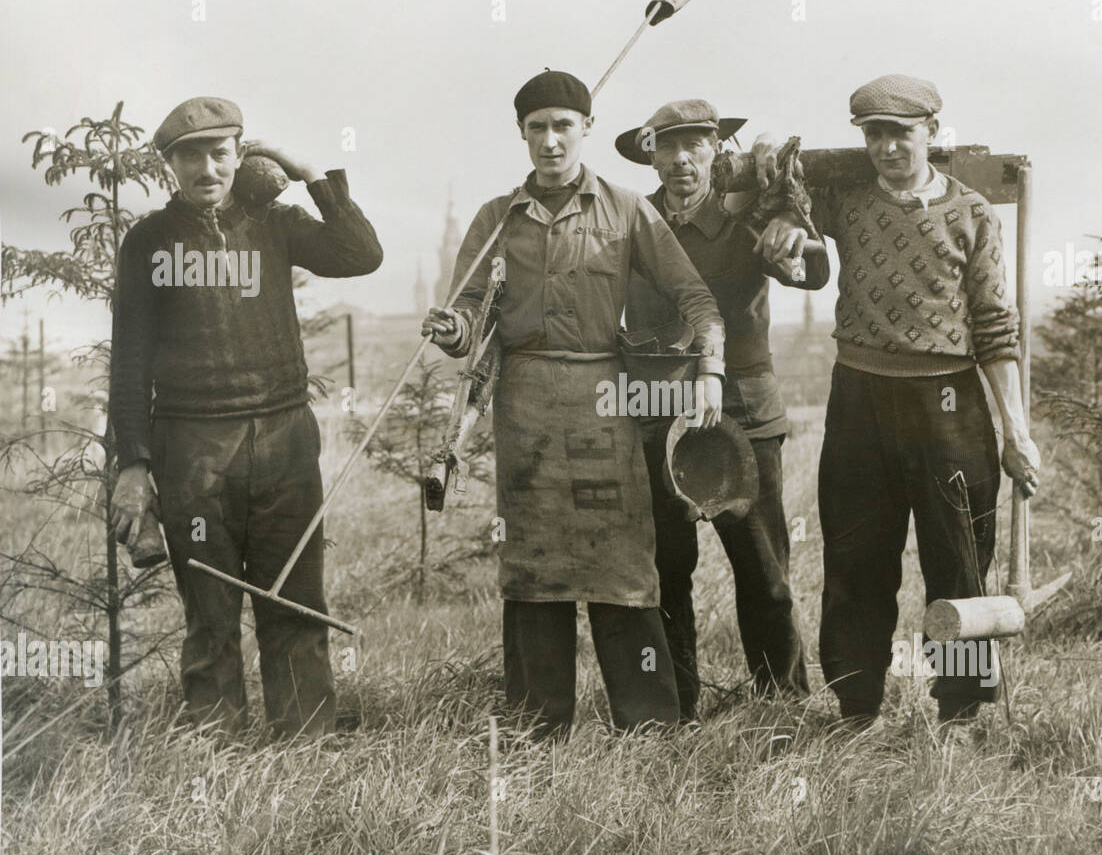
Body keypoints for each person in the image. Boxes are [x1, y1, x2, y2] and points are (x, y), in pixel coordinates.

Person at [423, 71, 726, 737]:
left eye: (564, 125)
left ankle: (649, 730)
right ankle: (536, 730)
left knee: (621, 569)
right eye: (538, 127)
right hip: (524, 414)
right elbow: (469, 318)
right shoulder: (496, 218)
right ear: (522, 134)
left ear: (586, 129)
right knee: (532, 572)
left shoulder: (626, 209)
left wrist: (711, 372)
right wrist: (453, 330)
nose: (551, 140)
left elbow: (697, 299)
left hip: (605, 409)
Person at [754, 74, 1040, 731]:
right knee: (855, 559)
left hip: (949, 406)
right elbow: (797, 243)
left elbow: (997, 328)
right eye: (874, 133)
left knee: (959, 561)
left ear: (932, 133)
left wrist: (1015, 431)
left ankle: (960, 713)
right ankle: (858, 710)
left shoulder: (972, 214)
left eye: (900, 133)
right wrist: (777, 226)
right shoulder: (845, 201)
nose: (886, 147)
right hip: (859, 399)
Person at [109, 96, 383, 737]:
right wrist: (133, 464)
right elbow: (129, 361)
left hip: (284, 438)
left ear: (242, 154)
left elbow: (361, 254)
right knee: (209, 610)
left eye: (220, 152)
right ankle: (216, 750)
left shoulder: (275, 222)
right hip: (193, 448)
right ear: (170, 165)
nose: (207, 167)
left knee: (294, 599)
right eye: (190, 156)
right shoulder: (150, 241)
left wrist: (308, 171)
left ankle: (304, 747)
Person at [614, 99, 829, 721]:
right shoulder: (633, 225)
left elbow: (810, 275)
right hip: (658, 412)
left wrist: (800, 239)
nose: (682, 159)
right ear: (649, 154)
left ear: (716, 151)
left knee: (763, 570)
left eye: (696, 145)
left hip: (741, 414)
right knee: (666, 569)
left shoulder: (747, 220)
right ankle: (670, 706)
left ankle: (780, 707)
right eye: (667, 146)